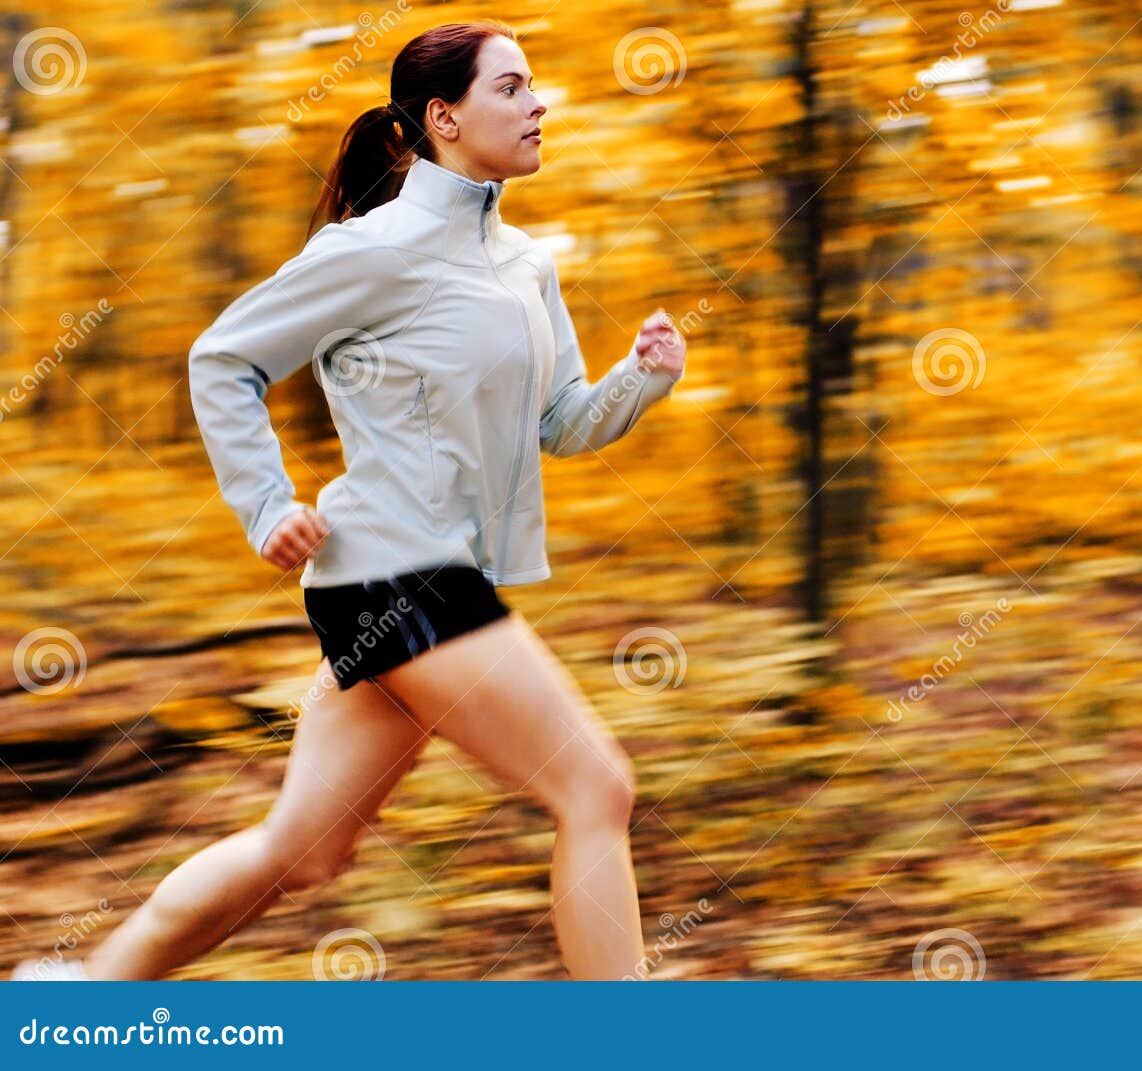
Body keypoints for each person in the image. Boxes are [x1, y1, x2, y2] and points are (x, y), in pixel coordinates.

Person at [10, 19, 685, 982]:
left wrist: (643, 376)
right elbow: (223, 357)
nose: (539, 105)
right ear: (444, 117)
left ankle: (80, 995)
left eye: (536, 86)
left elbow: (560, 424)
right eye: (513, 88)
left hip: (414, 583)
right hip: (393, 573)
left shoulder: (527, 264)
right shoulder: (378, 248)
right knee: (595, 786)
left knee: (305, 851)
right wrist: (265, 504)